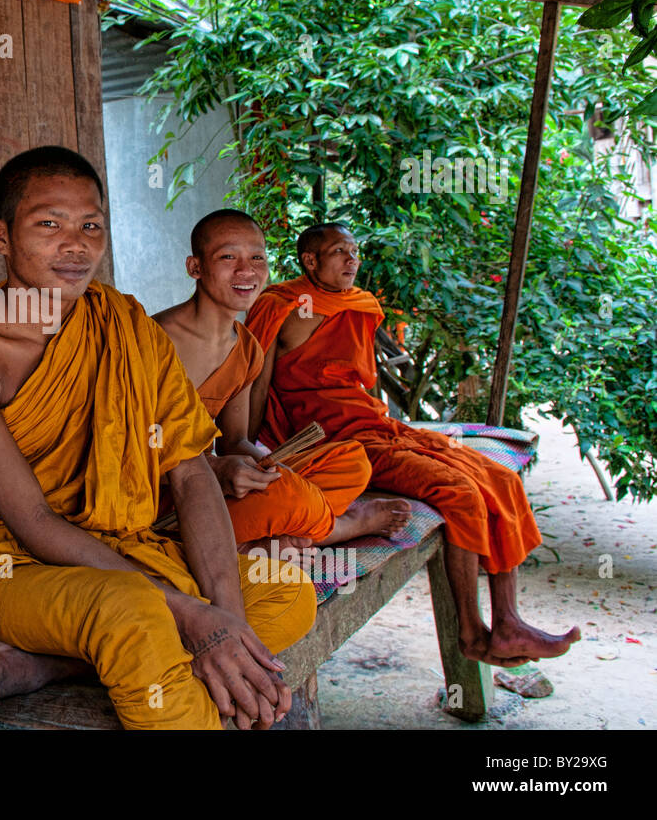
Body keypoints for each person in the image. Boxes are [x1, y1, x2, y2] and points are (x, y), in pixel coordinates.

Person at [0, 147, 316, 729]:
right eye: (50, 224)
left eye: (91, 225)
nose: (77, 245)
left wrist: (224, 618)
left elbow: (191, 472)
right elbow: (34, 524)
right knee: (131, 610)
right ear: (1, 235)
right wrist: (194, 618)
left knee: (284, 592)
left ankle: (46, 664)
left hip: (114, 546)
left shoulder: (125, 324)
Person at [245, 222, 580, 666]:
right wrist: (247, 452)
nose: (352, 261)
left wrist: (393, 427)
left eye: (355, 252)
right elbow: (254, 385)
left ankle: (509, 622)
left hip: (375, 428)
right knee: (459, 492)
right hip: (334, 444)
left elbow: (359, 383)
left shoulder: (359, 304)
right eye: (340, 252)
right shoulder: (279, 307)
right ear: (310, 260)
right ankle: (471, 632)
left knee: (499, 477)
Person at [154, 210, 411, 551]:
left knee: (351, 462)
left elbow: (235, 442)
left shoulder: (246, 348)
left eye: (257, 258)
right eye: (228, 256)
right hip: (166, 500)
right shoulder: (154, 339)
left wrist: (266, 466)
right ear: (195, 267)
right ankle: (340, 526)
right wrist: (216, 469)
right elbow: (128, 445)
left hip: (216, 483)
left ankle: (275, 533)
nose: (246, 271)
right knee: (293, 498)